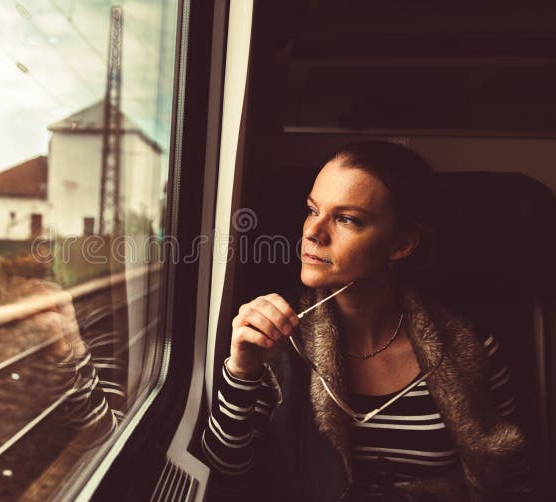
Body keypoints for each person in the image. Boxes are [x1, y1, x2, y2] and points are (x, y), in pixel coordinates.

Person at [201, 142, 532, 501]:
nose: (313, 232)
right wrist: (242, 372)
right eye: (312, 210)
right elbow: (224, 477)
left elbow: (512, 480)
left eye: (347, 219)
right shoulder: (278, 335)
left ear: (401, 245)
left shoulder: (467, 347)